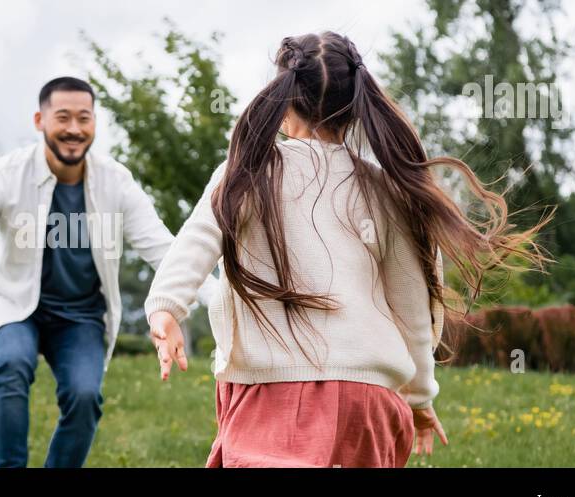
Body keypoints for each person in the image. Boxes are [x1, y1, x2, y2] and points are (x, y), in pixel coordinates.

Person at [144, 32, 550, 468]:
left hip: (273, 392)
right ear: (358, 106)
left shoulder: (247, 172)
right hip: (369, 398)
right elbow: (412, 305)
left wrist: (167, 307)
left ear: (283, 101)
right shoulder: (387, 190)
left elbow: (198, 239)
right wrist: (417, 395)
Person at [0, 77, 213, 468]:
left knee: (86, 396)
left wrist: (220, 297)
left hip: (81, 315)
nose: (74, 129)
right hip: (14, 304)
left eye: (84, 118)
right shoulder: (7, 175)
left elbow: (163, 246)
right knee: (12, 364)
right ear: (40, 120)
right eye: (63, 117)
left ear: (94, 123)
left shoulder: (115, 181)